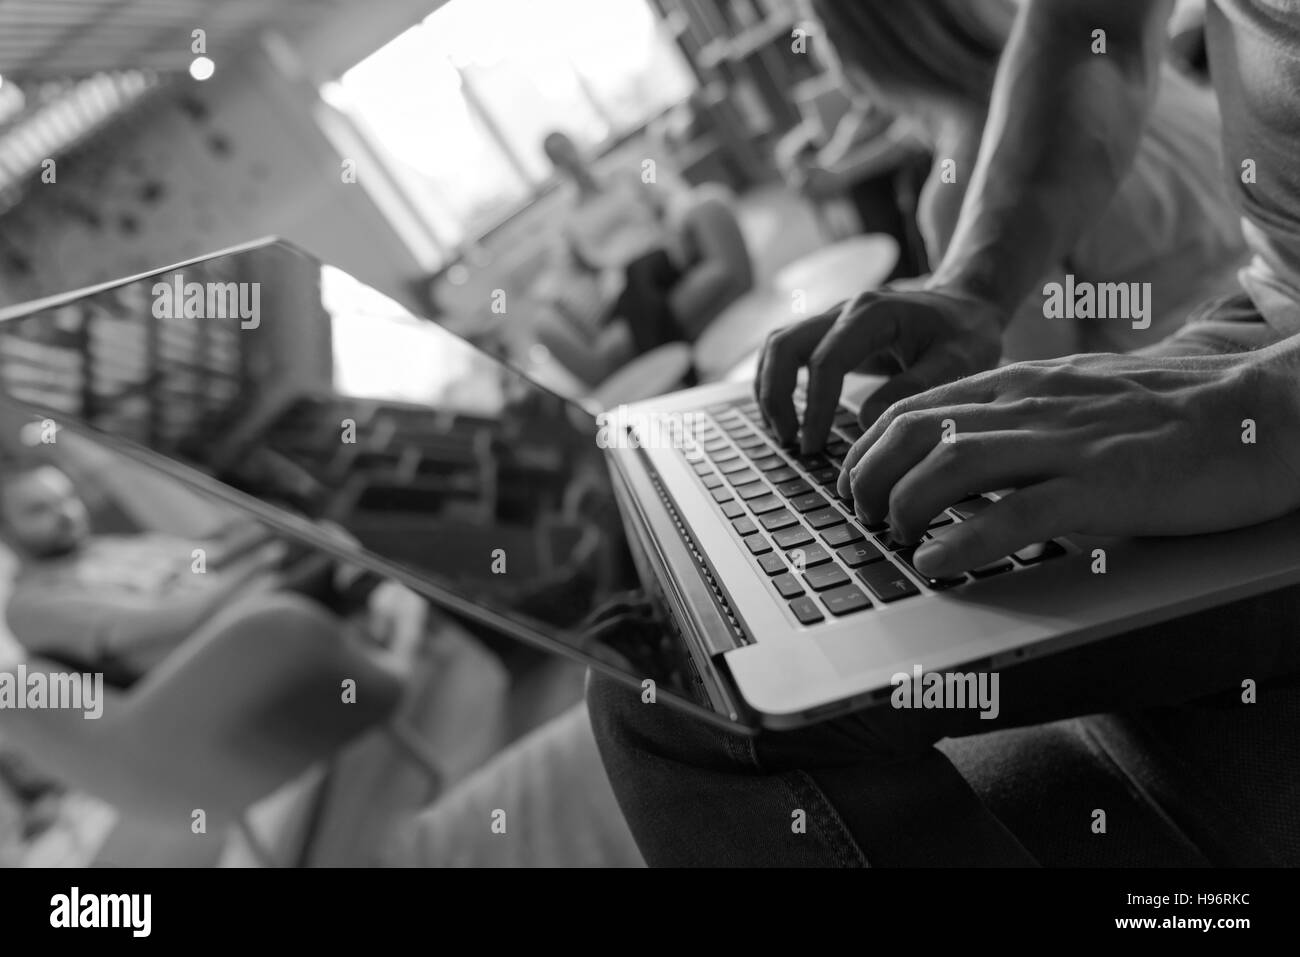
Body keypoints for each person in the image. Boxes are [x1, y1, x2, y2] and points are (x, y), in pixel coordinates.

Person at [587, 0, 1300, 866]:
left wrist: (1259, 404)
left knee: (661, 693)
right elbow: (1090, 28)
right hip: (1261, 313)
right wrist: (973, 286)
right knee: (676, 638)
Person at [786, 0, 1244, 355]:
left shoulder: (963, 198)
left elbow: (1041, 391)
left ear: (849, 52)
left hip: (1195, 397)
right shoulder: (1122, 60)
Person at [540, 130, 689, 356]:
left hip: (657, 257)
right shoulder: (564, 217)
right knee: (634, 295)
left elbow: (669, 193)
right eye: (558, 157)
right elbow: (560, 267)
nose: (568, 159)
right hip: (619, 286)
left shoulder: (624, 172)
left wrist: (676, 230)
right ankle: (680, 364)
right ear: (554, 166)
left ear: (577, 145)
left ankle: (675, 372)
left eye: (567, 149)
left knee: (637, 279)